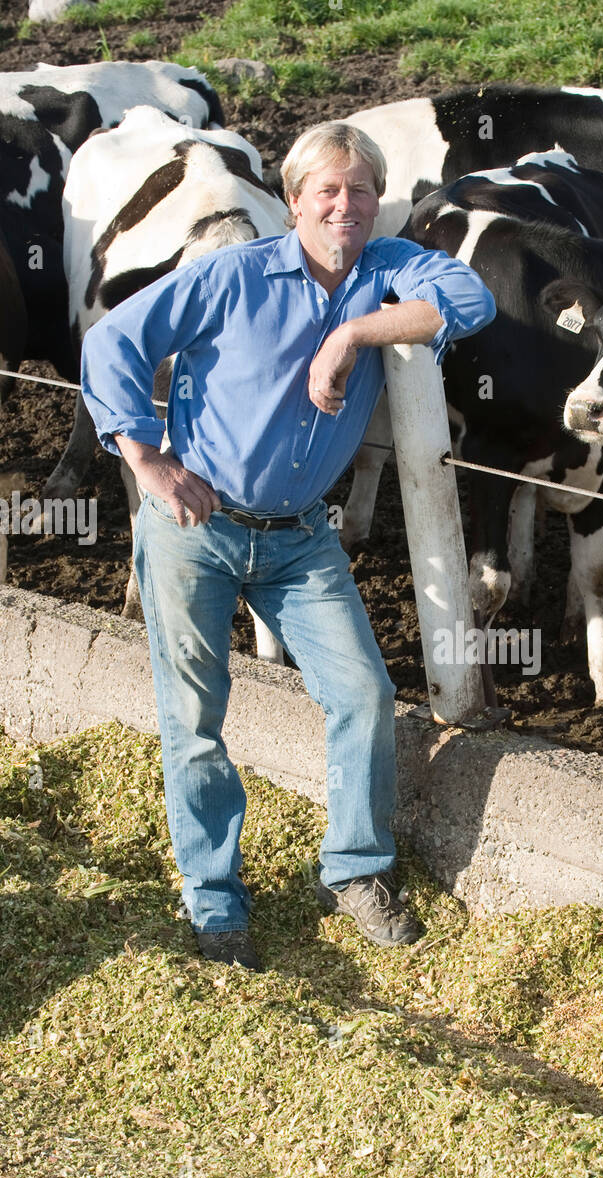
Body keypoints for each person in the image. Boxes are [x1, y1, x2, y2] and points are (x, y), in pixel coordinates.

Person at [81, 122, 496, 971]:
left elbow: (472, 300)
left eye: (362, 191)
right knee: (193, 720)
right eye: (328, 191)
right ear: (295, 198)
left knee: (364, 694)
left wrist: (352, 336)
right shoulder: (232, 276)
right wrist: (147, 459)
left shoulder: (386, 271)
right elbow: (111, 343)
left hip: (301, 538)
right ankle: (214, 898)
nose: (346, 206)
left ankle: (352, 869)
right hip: (196, 525)